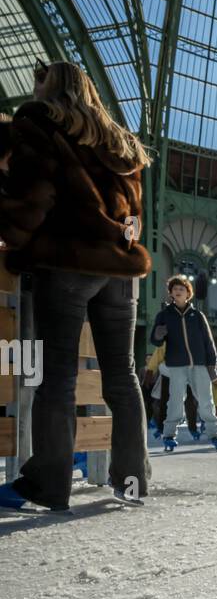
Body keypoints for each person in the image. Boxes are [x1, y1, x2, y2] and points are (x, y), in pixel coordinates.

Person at [0, 60, 152, 511]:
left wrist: (17, 245)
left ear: (52, 86)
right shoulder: (120, 142)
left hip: (67, 264)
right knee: (122, 378)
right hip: (120, 273)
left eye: (39, 80)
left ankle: (49, 487)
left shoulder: (39, 124)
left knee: (56, 381)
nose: (34, 86)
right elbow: (133, 216)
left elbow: (34, 202)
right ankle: (133, 482)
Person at [150, 277, 217, 451]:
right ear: (171, 294)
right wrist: (158, 334)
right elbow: (155, 341)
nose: (178, 291)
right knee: (175, 401)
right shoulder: (164, 316)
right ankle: (169, 435)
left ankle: (214, 434)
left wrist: (211, 366)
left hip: (199, 364)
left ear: (188, 294)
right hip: (177, 365)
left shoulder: (197, 316)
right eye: (174, 289)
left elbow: (208, 342)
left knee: (206, 401)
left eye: (181, 289)